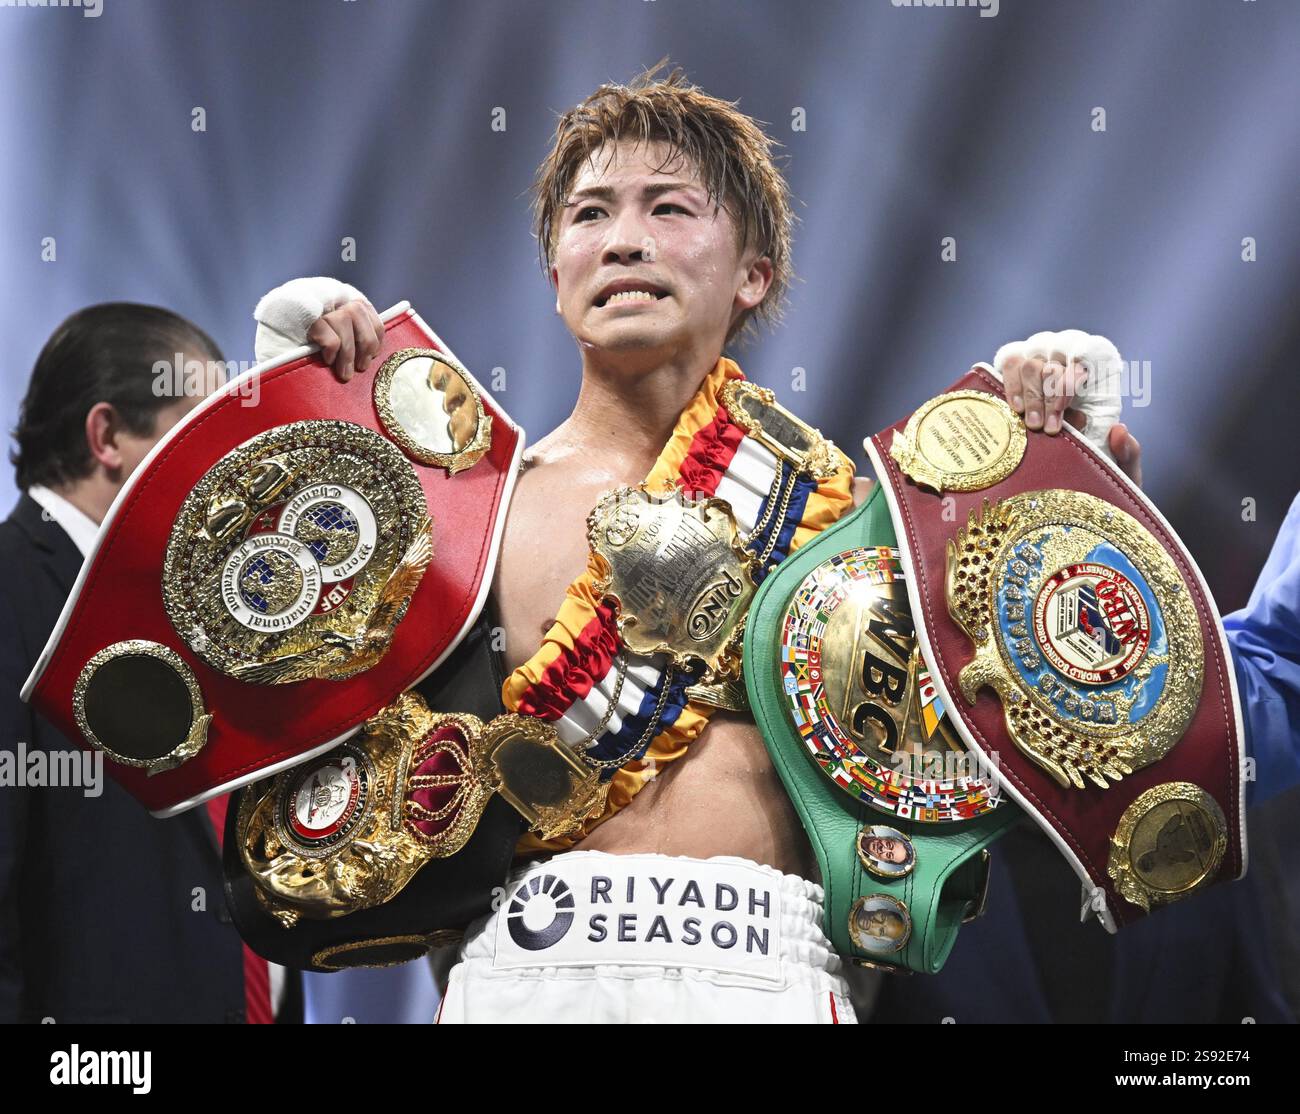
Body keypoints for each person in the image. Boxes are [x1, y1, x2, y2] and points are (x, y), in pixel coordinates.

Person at [250, 63, 1142, 1024]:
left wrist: (1052, 471)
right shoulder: (470, 508)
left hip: (773, 967)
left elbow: (1062, 702)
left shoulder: (849, 515)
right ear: (556, 276)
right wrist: (293, 424)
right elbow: (283, 687)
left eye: (669, 207)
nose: (625, 238)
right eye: (590, 215)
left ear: (753, 272)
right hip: (525, 969)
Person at [0, 303, 297, 1023]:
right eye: (198, 433)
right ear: (107, 437)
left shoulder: (181, 610)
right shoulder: (12, 593)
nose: (224, 471)